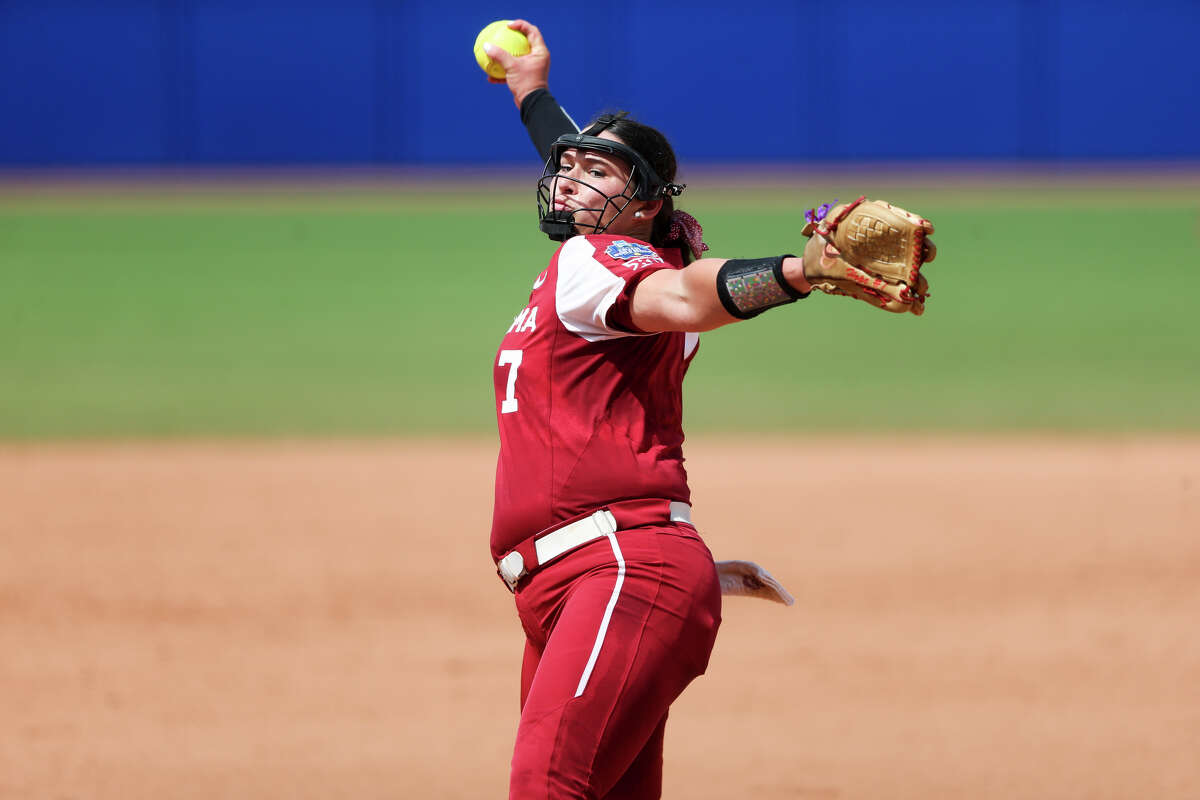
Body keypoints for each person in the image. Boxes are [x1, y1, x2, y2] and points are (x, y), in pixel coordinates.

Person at [483, 20, 928, 799]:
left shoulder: (597, 263)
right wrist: (531, 90)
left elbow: (685, 292)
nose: (571, 179)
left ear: (647, 206)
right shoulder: (606, 259)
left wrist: (800, 270)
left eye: (599, 171)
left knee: (547, 786)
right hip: (583, 583)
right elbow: (592, 175)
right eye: (569, 167)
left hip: (614, 571)